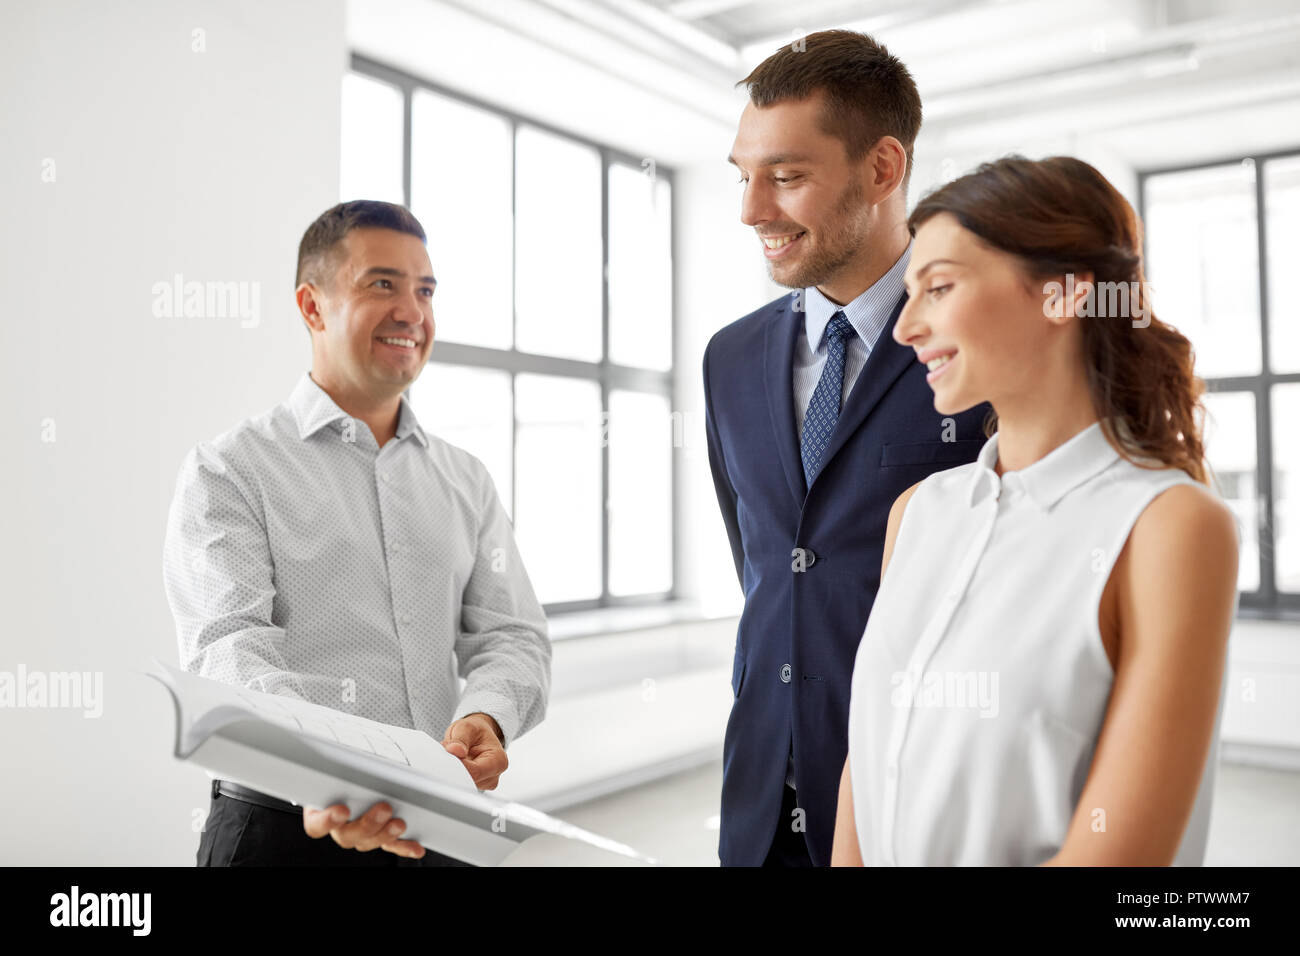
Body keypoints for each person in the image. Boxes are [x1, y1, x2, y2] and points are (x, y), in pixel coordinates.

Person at [831, 156, 1238, 866]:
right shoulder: (917, 513)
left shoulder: (1170, 527)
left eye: (940, 287)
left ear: (1062, 296)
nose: (905, 328)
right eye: (908, 293)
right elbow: (866, 765)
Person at [162, 200, 550, 866]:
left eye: (425, 290)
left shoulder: (466, 479)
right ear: (312, 307)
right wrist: (326, 775)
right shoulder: (230, 469)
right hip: (283, 831)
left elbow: (511, 634)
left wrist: (484, 717)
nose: (412, 311)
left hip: (433, 827)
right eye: (383, 285)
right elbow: (231, 649)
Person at [704, 30, 991, 866]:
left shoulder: (975, 341)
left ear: (883, 167)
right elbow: (764, 567)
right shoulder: (730, 356)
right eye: (744, 176)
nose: (752, 209)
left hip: (920, 796)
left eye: (787, 177)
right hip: (763, 797)